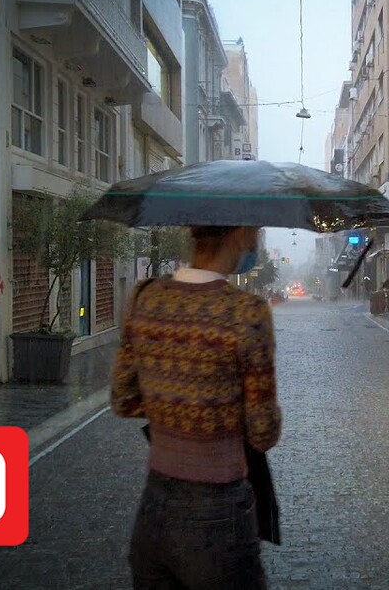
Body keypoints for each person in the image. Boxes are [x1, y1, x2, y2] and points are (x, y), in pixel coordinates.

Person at [111, 226, 282, 589]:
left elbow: (123, 399)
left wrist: (173, 402)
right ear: (238, 235)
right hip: (218, 515)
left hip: (153, 509)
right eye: (254, 234)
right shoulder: (246, 312)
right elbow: (263, 431)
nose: (254, 244)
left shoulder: (146, 298)